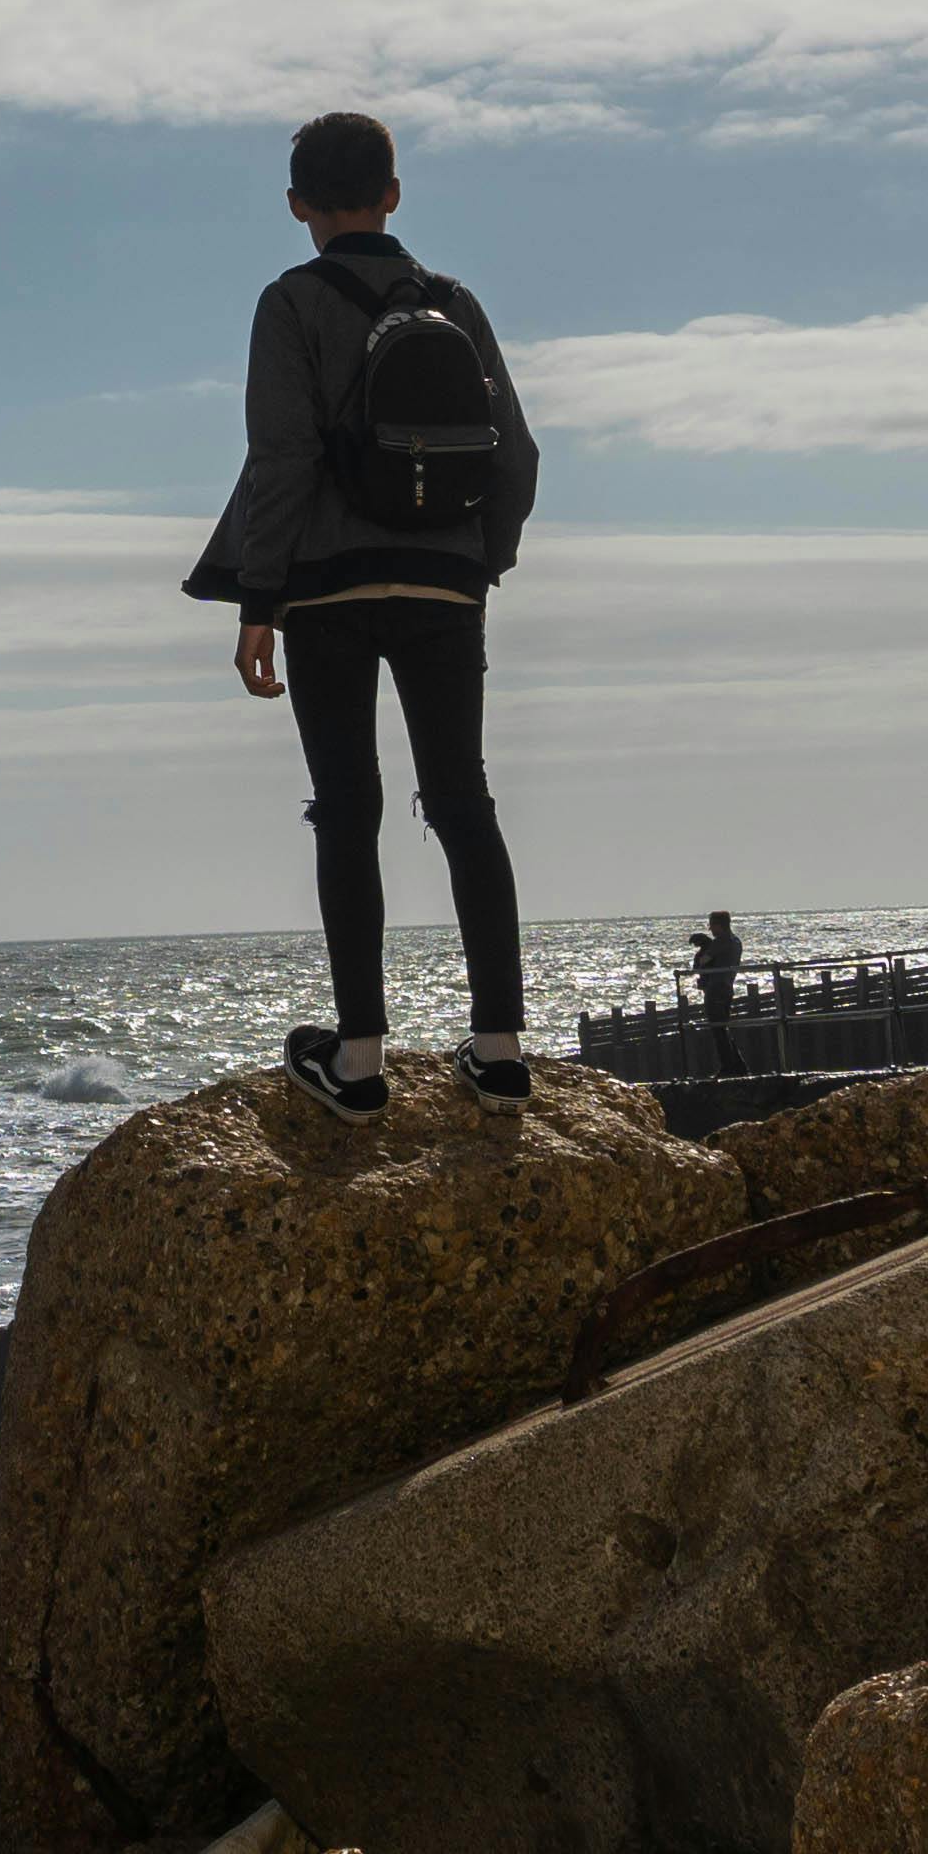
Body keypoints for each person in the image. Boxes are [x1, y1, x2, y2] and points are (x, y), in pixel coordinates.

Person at [181, 109, 541, 1115]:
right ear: (393, 192)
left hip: (327, 589)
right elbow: (516, 454)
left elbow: (282, 458)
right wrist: (479, 561)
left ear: (297, 205)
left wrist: (260, 601)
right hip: (444, 587)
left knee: (348, 809)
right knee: (462, 803)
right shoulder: (452, 301)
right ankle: (501, 1050)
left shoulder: (290, 304)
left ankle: (362, 1059)